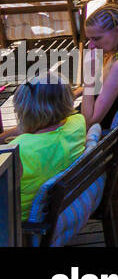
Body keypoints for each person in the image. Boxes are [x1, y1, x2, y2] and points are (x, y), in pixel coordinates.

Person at [2, 73, 85, 219]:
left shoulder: (21, 149)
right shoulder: (77, 123)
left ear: (26, 111)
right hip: (54, 206)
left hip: (17, 221)